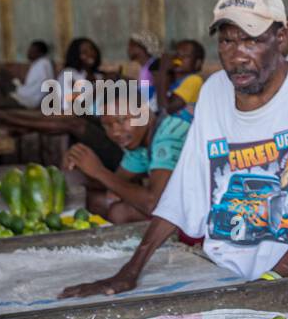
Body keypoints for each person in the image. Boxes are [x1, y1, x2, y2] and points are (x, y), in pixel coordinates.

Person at [60, 0, 288, 319]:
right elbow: (181, 193)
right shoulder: (214, 91)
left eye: (251, 40)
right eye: (228, 40)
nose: (236, 56)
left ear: (281, 37)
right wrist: (130, 270)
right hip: (226, 279)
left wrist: (276, 279)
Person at [0, 36, 121, 170]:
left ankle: (15, 123)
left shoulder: (100, 76)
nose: (89, 54)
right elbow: (69, 104)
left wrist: (100, 86)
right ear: (75, 55)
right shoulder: (70, 74)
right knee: (68, 117)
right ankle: (13, 121)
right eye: (84, 51)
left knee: (73, 120)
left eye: (92, 49)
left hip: (95, 120)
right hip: (79, 115)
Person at [65, 95, 193, 223]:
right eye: (107, 126)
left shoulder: (169, 135)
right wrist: (82, 163)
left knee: (119, 212)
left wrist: (99, 171)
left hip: (202, 214)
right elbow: (115, 184)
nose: (115, 132)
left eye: (122, 121)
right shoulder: (140, 143)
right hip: (181, 206)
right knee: (97, 201)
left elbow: (153, 203)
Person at [164, 39, 205, 114]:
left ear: (197, 63)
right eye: (176, 55)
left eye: (186, 56)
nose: (179, 58)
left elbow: (168, 108)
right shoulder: (172, 81)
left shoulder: (194, 80)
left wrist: (163, 72)